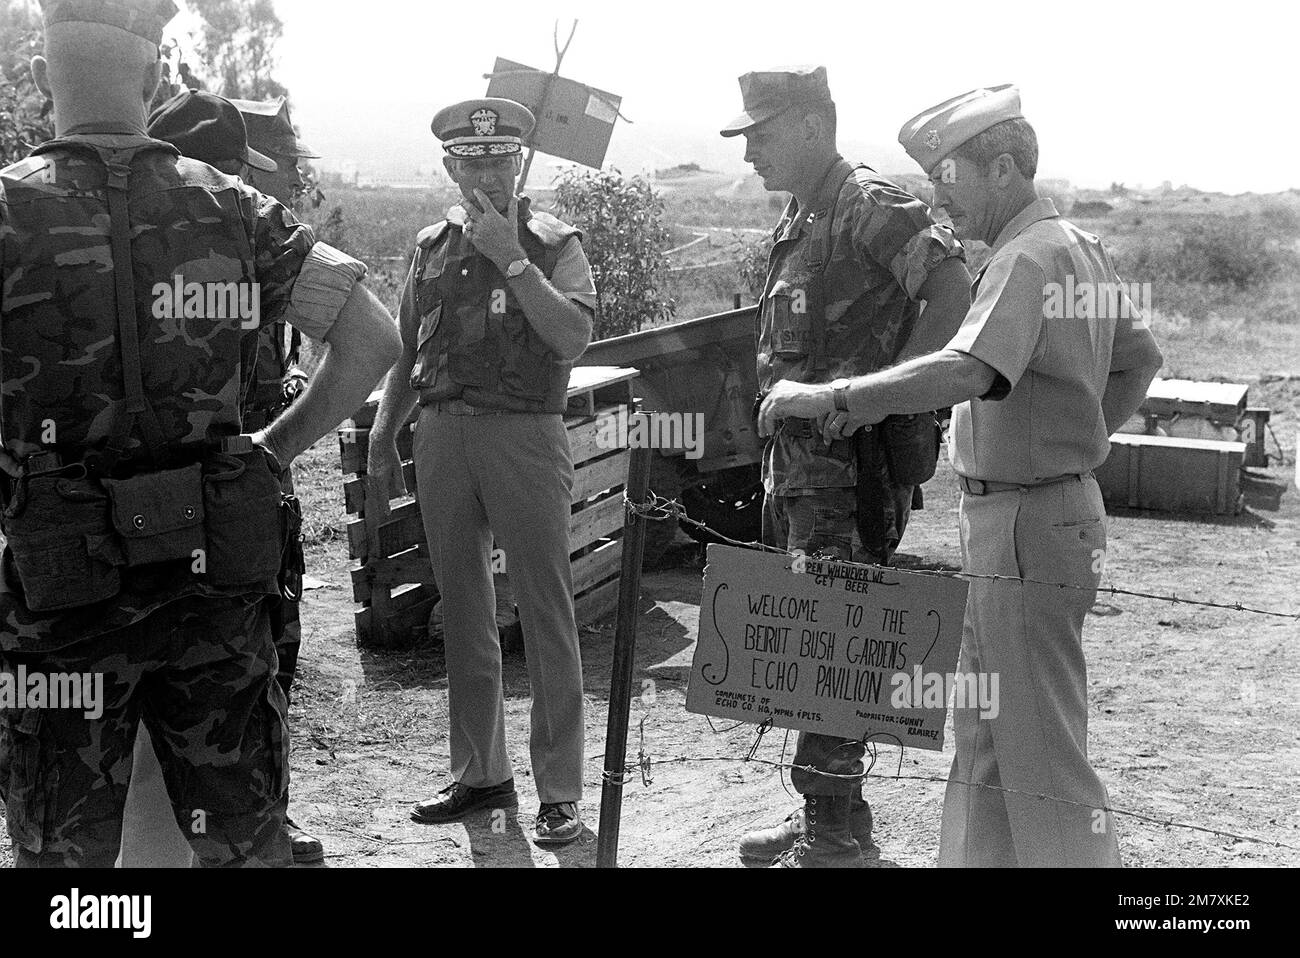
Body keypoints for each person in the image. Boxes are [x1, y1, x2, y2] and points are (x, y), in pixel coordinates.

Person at [0, 0, 400, 868]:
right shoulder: (239, 207)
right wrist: (273, 450)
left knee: (60, 864)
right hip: (213, 588)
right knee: (244, 846)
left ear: (39, 83)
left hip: (62, 603)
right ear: (151, 81)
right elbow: (376, 338)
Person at [758, 85, 1164, 867]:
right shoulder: (1075, 245)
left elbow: (965, 370)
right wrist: (1075, 442)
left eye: (949, 174)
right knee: (983, 744)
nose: (937, 192)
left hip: (1025, 523)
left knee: (1041, 752)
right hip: (1027, 513)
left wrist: (837, 396)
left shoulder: (1026, 257)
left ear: (1003, 168)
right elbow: (1139, 359)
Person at [720, 66, 971, 868]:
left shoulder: (868, 203)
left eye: (761, 132)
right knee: (813, 641)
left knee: (836, 638)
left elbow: (953, 291)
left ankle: (831, 833)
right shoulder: (805, 215)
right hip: (801, 473)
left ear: (811, 125)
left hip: (849, 470)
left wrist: (884, 400)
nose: (751, 149)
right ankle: (834, 814)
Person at [367, 98, 596, 846]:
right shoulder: (430, 246)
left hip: (525, 437)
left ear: (521, 164)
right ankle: (480, 774)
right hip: (442, 437)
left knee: (544, 612)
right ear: (451, 168)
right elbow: (407, 350)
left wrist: (514, 259)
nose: (489, 172)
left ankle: (559, 790)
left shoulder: (556, 244)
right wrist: (382, 436)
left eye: (502, 159)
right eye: (474, 161)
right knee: (463, 613)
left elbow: (570, 336)